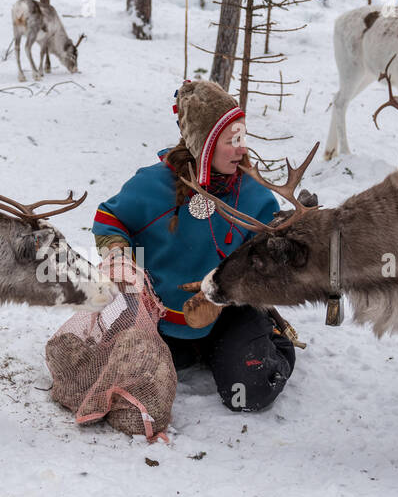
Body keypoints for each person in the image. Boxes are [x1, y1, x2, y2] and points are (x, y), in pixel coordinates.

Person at [91, 80, 299, 412]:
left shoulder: (254, 195)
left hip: (229, 314)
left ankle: (274, 338)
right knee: (119, 374)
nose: (242, 150)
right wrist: (121, 259)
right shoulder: (151, 186)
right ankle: (194, 352)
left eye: (243, 138)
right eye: (232, 141)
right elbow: (111, 219)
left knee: (250, 392)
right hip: (162, 316)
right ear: (204, 144)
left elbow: (273, 254)